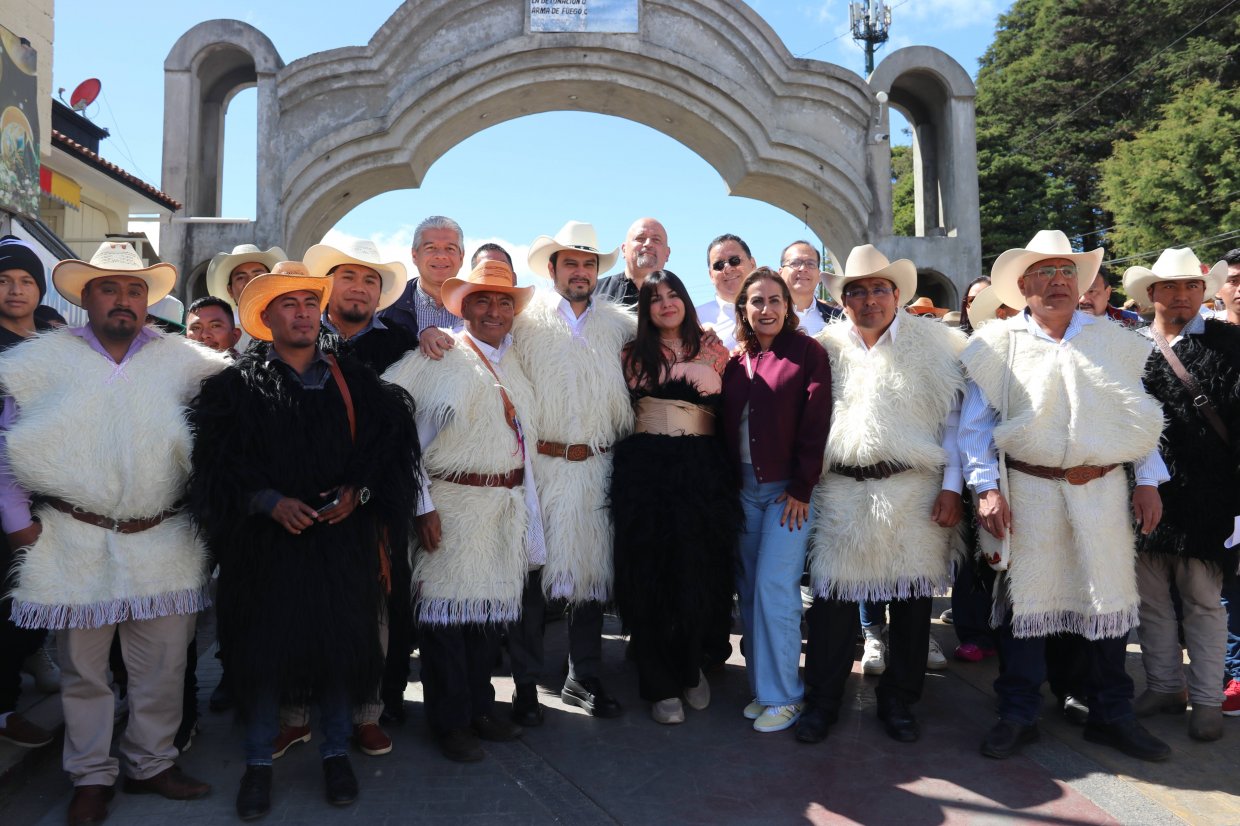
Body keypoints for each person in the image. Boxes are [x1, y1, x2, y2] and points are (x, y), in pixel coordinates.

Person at [0, 242, 227, 825]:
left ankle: (151, 764)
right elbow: (3, 449)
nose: (123, 299)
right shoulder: (37, 362)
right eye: (109, 288)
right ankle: (91, 776)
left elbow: (236, 424)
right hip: (72, 536)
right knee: (84, 672)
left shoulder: (188, 362)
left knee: (164, 668)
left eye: (133, 289)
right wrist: (19, 525)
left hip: (163, 536)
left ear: (148, 299)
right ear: (86, 296)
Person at [189, 262, 418, 819]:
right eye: (288, 305)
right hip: (265, 549)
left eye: (310, 304)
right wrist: (267, 501)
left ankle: (336, 752)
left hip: (339, 542)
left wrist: (358, 493)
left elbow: (390, 442)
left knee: (340, 651)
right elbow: (216, 465)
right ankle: (257, 765)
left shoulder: (352, 379)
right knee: (263, 656)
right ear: (265, 318)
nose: (303, 314)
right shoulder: (232, 387)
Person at [960, 229, 1171, 763]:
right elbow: (975, 427)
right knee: (1027, 607)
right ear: (1023, 284)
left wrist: (1147, 479)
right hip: (1027, 491)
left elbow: (1139, 416)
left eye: (1066, 273)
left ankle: (1111, 715)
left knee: (1107, 604)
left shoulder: (1116, 342)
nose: (1057, 282)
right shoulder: (995, 345)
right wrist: (985, 488)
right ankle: (1018, 713)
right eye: (1045, 273)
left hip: (1101, 491)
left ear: (1079, 283)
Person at [798, 245, 966, 745]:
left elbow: (954, 424)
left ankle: (900, 701)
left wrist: (953, 487)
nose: (868, 299)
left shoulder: (938, 346)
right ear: (843, 299)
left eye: (878, 288)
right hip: (840, 492)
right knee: (831, 608)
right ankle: (823, 703)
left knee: (911, 609)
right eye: (856, 291)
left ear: (897, 294)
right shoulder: (821, 347)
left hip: (913, 490)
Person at [383, 260, 537, 762]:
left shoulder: (513, 359)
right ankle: (449, 722)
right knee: (446, 621)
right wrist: (422, 508)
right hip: (451, 506)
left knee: (484, 620)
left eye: (504, 302)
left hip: (500, 508)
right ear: (463, 306)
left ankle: (479, 709)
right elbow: (406, 445)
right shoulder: (442, 359)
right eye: (483, 300)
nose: (494, 311)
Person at [507, 221, 636, 723]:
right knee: (532, 576)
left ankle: (583, 676)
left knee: (589, 575)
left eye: (588, 264)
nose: (580, 272)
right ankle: (523, 684)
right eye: (571, 263)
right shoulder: (526, 323)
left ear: (597, 271)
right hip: (541, 463)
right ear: (553, 269)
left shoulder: (621, 326)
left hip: (599, 465)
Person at [611, 270, 739, 724]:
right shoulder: (632, 351)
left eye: (673, 295)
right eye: (655, 298)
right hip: (647, 470)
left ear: (685, 299)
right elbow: (637, 390)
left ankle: (690, 668)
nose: (666, 304)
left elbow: (723, 394)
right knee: (649, 572)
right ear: (645, 309)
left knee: (696, 570)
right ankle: (658, 683)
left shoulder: (713, 344)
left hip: (703, 470)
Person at [1121, 247, 1235, 742]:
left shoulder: (1232, 342)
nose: (1182, 295)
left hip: (1212, 495)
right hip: (1144, 492)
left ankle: (1208, 699)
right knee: (1150, 601)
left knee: (1204, 602)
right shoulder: (1127, 346)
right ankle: (1165, 685)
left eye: (1191, 286)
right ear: (1152, 294)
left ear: (1202, 292)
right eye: (1170, 286)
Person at [722, 267, 832, 733]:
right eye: (756, 301)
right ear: (743, 309)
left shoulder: (807, 353)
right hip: (742, 492)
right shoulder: (734, 360)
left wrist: (801, 488)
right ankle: (764, 690)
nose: (765, 309)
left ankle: (787, 696)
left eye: (774, 300)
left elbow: (817, 422)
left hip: (787, 494)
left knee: (775, 589)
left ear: (788, 306)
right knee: (748, 593)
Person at [0, 236, 60, 752]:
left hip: (51, 498)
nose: (15, 290)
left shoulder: (50, 345)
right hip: (7, 500)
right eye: (3, 280)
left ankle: (29, 665)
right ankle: (4, 710)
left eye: (25, 281)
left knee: (32, 601)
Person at [308, 237, 417, 375]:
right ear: (327, 288)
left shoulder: (402, 346)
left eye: (369, 281)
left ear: (379, 298)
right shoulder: (296, 334)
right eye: (348, 278)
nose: (359, 288)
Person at [1217, 248, 1240, 717]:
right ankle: (1232, 673)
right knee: (1224, 584)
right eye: (1235, 279)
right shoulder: (1206, 340)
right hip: (1216, 484)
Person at [380, 215, 466, 339]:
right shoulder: (387, 307)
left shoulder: (480, 307)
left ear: (461, 257)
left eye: (450, 248)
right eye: (431, 248)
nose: (441, 256)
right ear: (415, 256)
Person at [204, 243, 287, 350]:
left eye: (258, 275)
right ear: (230, 290)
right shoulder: (218, 329)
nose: (250, 281)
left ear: (271, 283)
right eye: (241, 277)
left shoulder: (288, 322)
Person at [696, 234, 757, 351]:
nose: (728, 268)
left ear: (752, 264)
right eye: (719, 265)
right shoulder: (695, 318)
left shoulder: (777, 311)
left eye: (735, 260)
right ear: (711, 275)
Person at [595, 217, 671, 305]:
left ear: (667, 253)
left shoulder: (678, 300)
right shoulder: (594, 294)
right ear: (624, 249)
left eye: (656, 240)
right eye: (640, 238)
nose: (648, 244)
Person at [778, 240, 840, 336]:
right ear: (780, 273)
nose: (803, 268)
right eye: (795, 263)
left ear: (819, 275)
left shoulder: (838, 318)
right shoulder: (768, 315)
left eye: (810, 264)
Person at [1078, 269, 1143, 328]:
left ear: (1107, 293)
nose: (1082, 300)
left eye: (1091, 291)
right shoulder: (1068, 327)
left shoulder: (1133, 321)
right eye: (1078, 292)